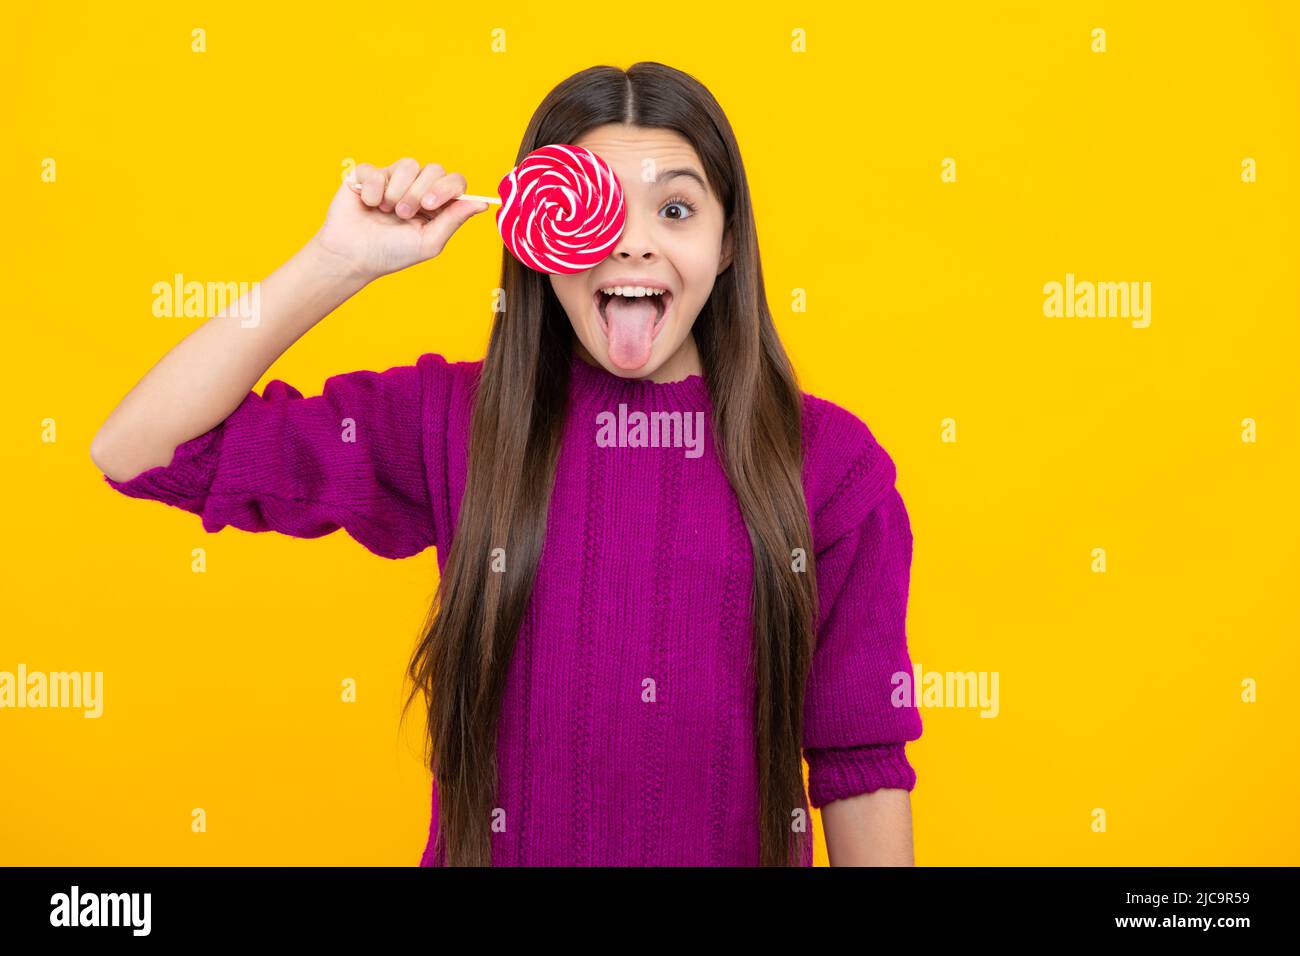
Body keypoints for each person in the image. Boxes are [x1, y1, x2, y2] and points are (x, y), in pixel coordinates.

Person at [92, 61, 922, 867]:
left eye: (675, 209)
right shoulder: (452, 422)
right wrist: (336, 261)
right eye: (600, 207)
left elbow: (861, 764)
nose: (633, 244)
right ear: (539, 231)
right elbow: (139, 452)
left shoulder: (833, 470)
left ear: (729, 243)